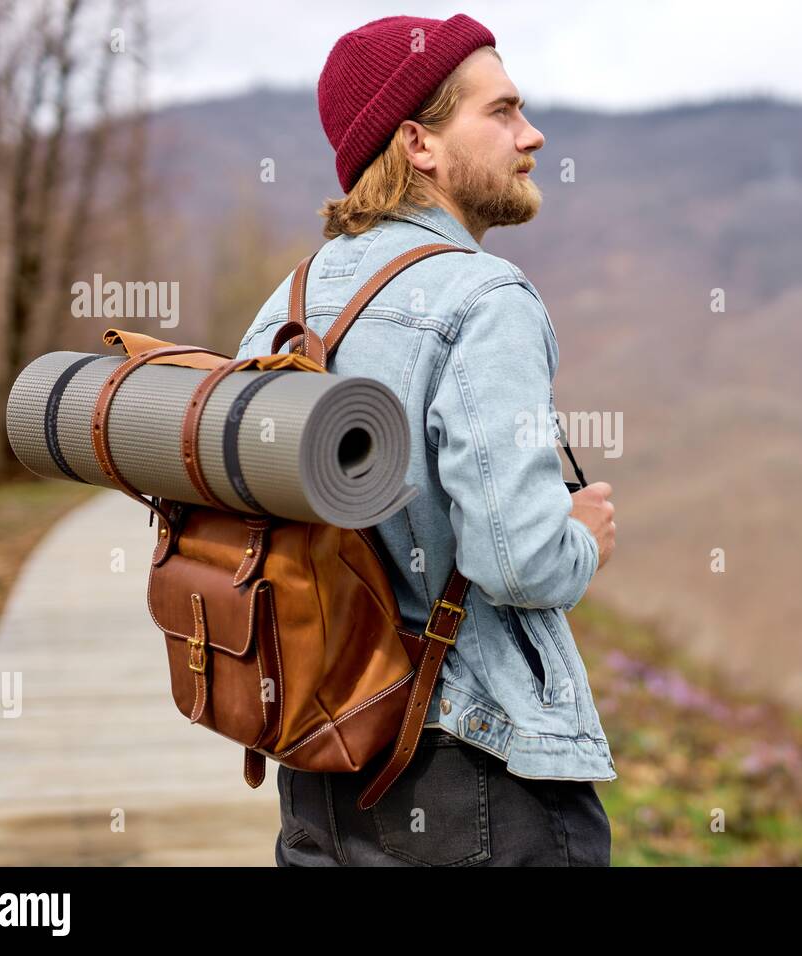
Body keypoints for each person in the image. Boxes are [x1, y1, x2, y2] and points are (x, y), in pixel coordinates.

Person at [234, 13, 618, 866]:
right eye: (504, 112)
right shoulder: (487, 299)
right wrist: (582, 539)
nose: (533, 134)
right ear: (419, 143)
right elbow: (518, 564)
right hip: (473, 773)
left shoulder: (286, 302)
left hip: (318, 761)